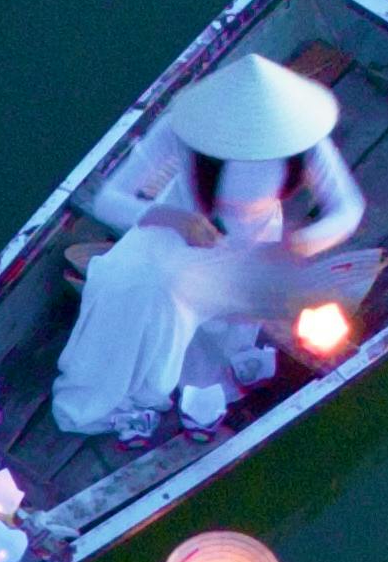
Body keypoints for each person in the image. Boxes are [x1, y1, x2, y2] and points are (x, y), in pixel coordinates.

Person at [49, 55, 370, 441]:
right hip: (175, 235)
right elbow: (109, 200)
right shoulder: (182, 128)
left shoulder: (303, 139)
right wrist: (173, 219)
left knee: (233, 322)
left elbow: (347, 209)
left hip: (254, 247)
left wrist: (301, 242)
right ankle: (135, 388)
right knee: (144, 289)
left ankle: (205, 380)